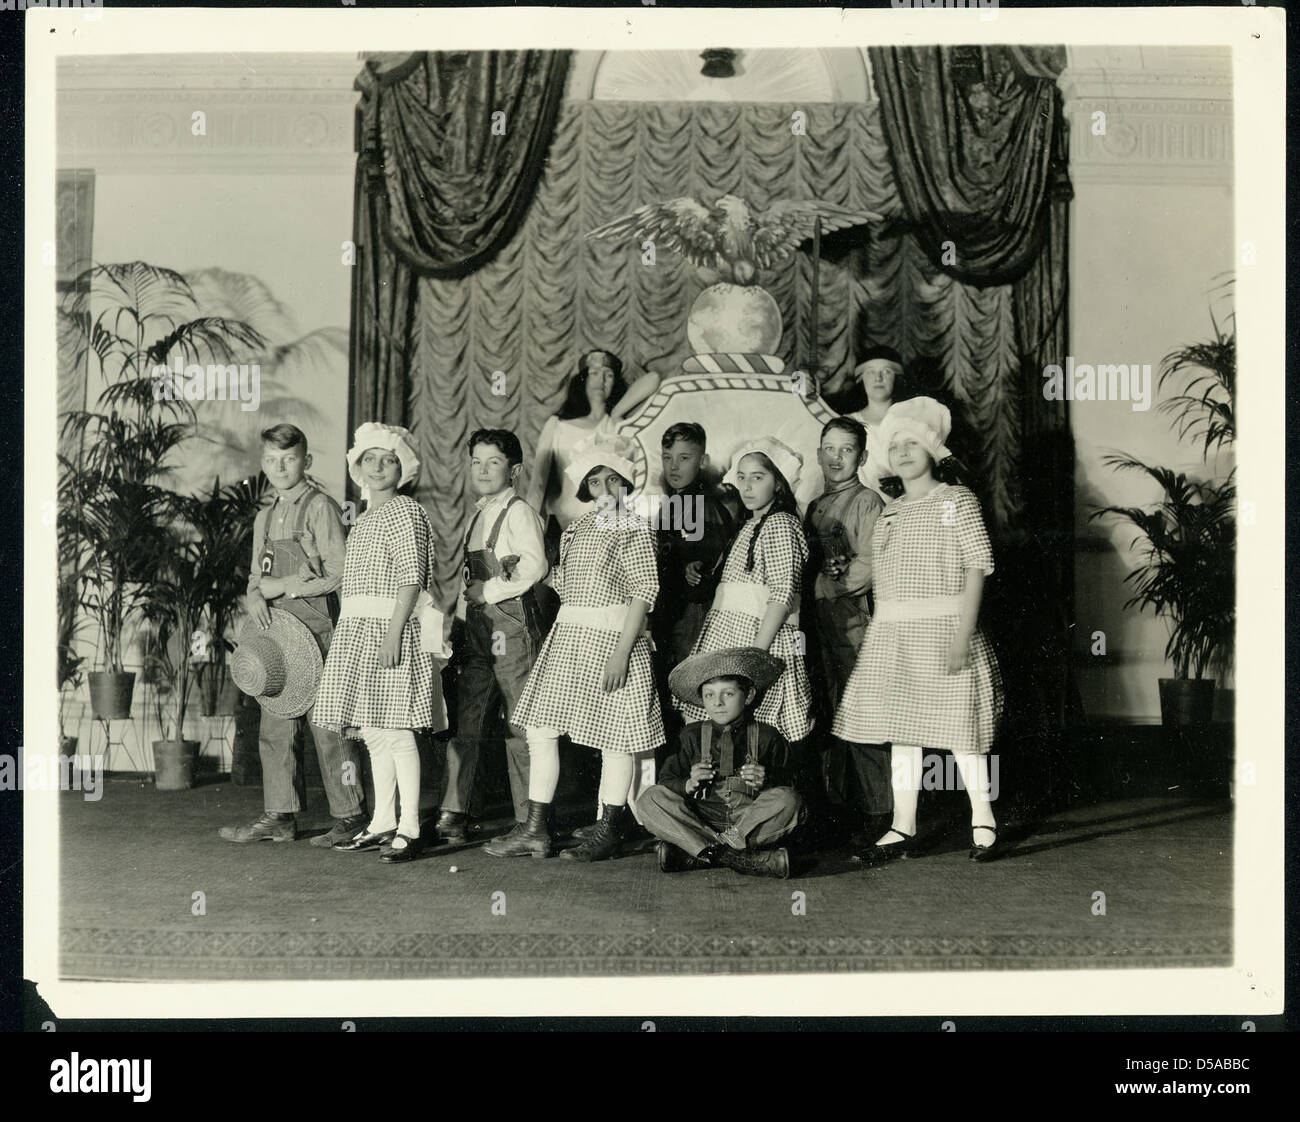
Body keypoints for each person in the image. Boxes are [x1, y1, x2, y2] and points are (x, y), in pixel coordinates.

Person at [832, 397, 1005, 864]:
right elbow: (885, 583)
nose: (905, 452)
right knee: (902, 733)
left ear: (934, 450)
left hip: (946, 627)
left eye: (914, 443)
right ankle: (902, 826)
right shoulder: (890, 512)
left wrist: (962, 633)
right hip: (897, 635)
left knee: (961, 729)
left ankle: (983, 820)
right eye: (896, 445)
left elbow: (975, 567)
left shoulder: (954, 500)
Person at [486, 431, 664, 862]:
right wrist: (525, 568)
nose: (605, 489)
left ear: (627, 483)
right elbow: (568, 584)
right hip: (570, 639)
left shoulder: (634, 526)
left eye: (613, 480)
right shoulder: (577, 529)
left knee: (617, 736)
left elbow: (644, 590)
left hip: (614, 640)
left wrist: (622, 652)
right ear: (586, 487)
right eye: (596, 481)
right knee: (542, 729)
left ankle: (610, 825)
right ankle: (536, 829)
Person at [219, 423, 367, 847]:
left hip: (316, 628)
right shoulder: (264, 517)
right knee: (275, 727)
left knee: (328, 728)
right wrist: (253, 597)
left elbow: (340, 574)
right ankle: (279, 816)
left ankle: (351, 815)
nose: (279, 467)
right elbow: (254, 577)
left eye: (288, 459)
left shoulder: (320, 507)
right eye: (271, 460)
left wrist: (284, 587)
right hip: (275, 635)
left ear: (306, 461)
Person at [315, 422, 447, 864]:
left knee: (396, 730)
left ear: (402, 469)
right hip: (358, 630)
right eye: (369, 459)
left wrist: (393, 634)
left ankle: (410, 826)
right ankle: (382, 820)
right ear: (357, 466)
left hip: (389, 630)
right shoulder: (366, 517)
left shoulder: (406, 511)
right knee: (373, 731)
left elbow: (412, 579)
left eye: (387, 460)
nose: (377, 467)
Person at [436, 429, 554, 844]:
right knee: (467, 720)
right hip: (477, 629)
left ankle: (528, 821)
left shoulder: (519, 512)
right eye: (476, 462)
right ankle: (455, 810)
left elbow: (535, 567)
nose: (483, 470)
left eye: (494, 462)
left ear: (515, 470)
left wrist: (488, 592)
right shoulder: (477, 513)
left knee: (519, 724)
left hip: (511, 627)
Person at [676, 437, 812, 749]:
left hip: (759, 640)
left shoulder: (780, 524)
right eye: (742, 477)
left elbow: (782, 595)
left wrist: (754, 660)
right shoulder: (749, 525)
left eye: (758, 477)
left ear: (778, 484)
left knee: (755, 729)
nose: (747, 487)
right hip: (728, 635)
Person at [640, 647, 804, 879]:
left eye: (727, 694)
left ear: (747, 696)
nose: (717, 703)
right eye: (709, 695)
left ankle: (699, 853)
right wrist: (688, 783)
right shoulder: (690, 735)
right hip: (700, 819)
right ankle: (739, 859)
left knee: (789, 800)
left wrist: (767, 780)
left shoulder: (768, 736)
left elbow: (791, 783)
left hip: (747, 823)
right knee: (649, 799)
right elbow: (666, 780)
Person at [805, 417, 887, 841]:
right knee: (829, 711)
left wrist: (820, 585)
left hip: (852, 622)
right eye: (829, 448)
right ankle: (840, 805)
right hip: (820, 624)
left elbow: (868, 567)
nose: (836, 458)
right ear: (818, 452)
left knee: (861, 713)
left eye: (847, 450)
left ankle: (878, 809)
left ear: (863, 457)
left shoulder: (867, 501)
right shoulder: (815, 506)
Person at [525, 350, 661, 555]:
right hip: (564, 529)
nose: (601, 380)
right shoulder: (558, 425)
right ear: (583, 379)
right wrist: (527, 537)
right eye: (594, 373)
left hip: (608, 533)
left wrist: (616, 413)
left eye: (609, 375)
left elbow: (654, 379)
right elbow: (538, 485)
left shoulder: (618, 428)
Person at [652, 421, 736, 671]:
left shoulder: (706, 505)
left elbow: (717, 557)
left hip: (693, 609)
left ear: (702, 461)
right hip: (671, 607)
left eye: (684, 458)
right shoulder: (672, 504)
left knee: (691, 672)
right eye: (667, 457)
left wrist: (698, 567)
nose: (674, 466)